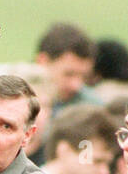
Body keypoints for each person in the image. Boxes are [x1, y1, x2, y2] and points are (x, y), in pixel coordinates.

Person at [28, 22, 102, 165]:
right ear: (42, 61)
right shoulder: (9, 92)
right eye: (69, 74)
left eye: (84, 77)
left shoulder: (91, 108)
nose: (77, 85)